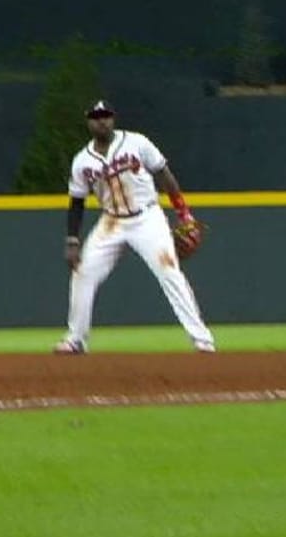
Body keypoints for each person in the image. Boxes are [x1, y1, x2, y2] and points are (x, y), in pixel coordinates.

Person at [53, 100, 216, 354]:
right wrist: (72, 240)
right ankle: (76, 339)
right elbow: (77, 202)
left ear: (113, 118)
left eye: (105, 116)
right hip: (112, 221)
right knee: (83, 273)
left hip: (147, 217)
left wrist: (183, 214)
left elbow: (165, 175)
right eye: (96, 117)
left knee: (169, 272)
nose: (101, 120)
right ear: (88, 122)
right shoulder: (82, 161)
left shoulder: (137, 142)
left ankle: (202, 339)